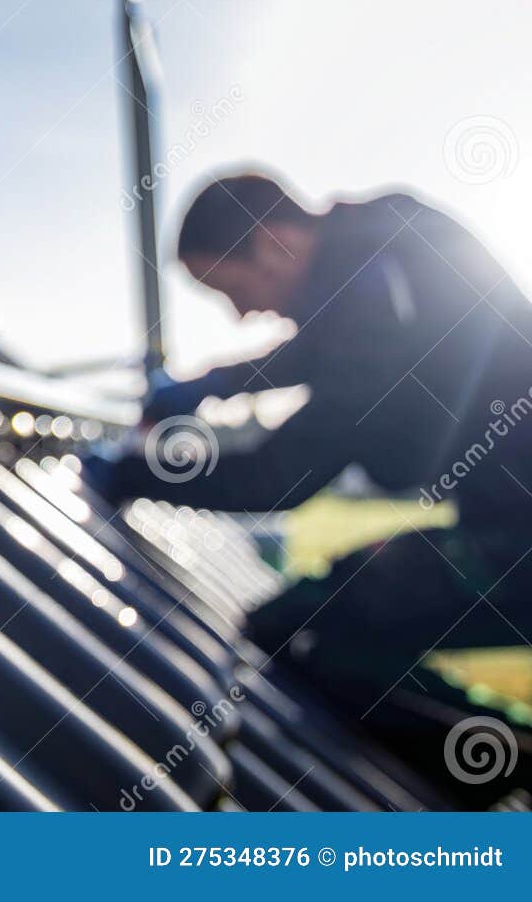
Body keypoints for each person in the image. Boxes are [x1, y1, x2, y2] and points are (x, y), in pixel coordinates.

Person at [82, 172, 532, 755]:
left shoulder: (377, 286)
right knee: (325, 618)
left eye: (231, 289)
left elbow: (285, 473)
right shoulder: (387, 247)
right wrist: (214, 384)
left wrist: (129, 475)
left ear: (272, 244)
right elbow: (324, 350)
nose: (242, 314)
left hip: (514, 541)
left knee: (300, 629)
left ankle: (501, 764)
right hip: (503, 524)